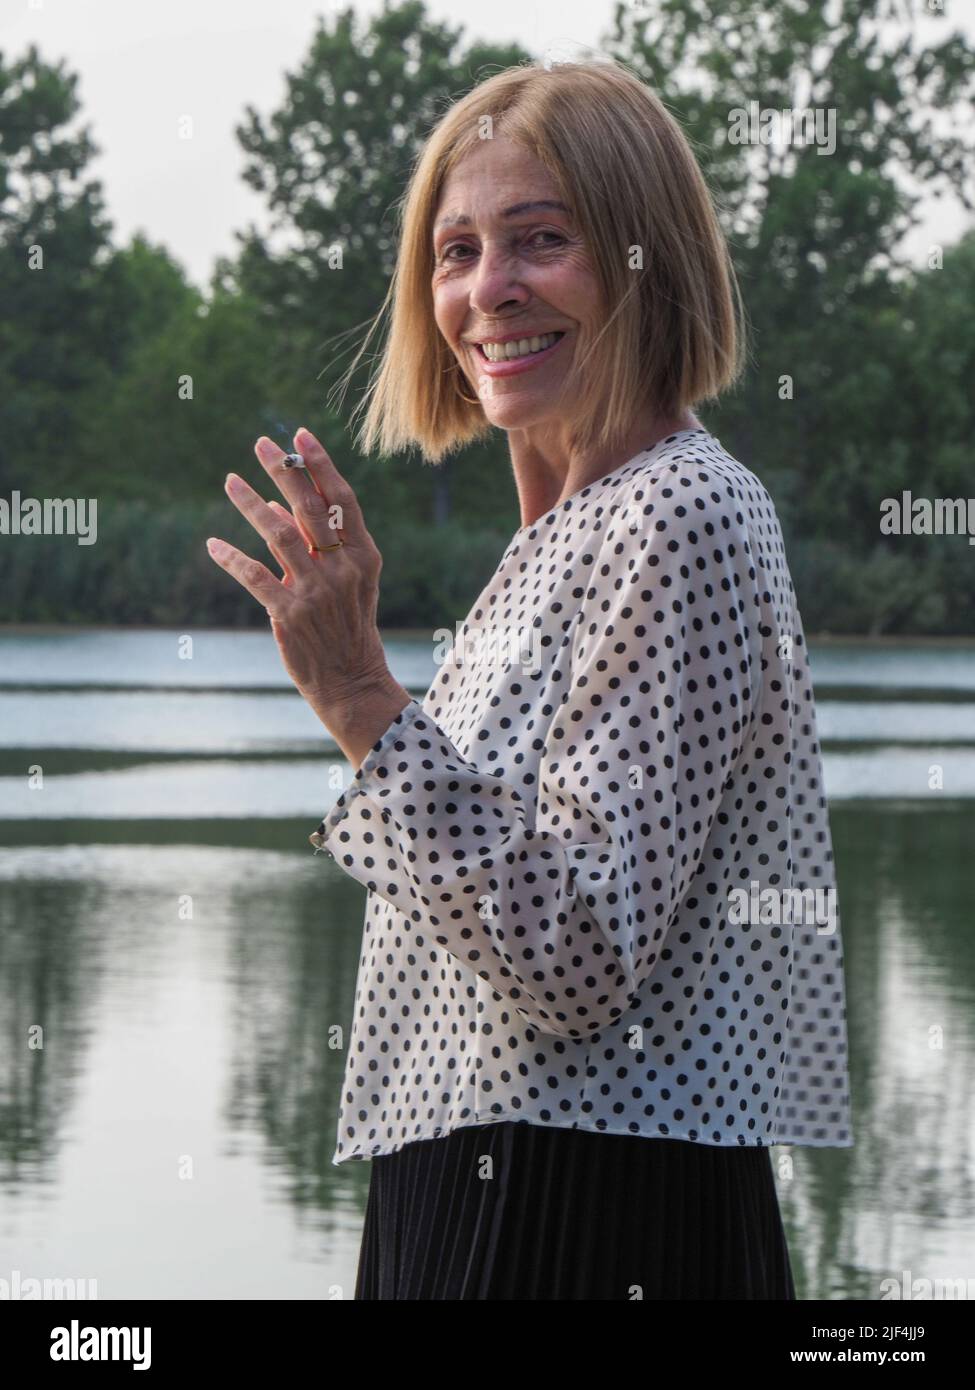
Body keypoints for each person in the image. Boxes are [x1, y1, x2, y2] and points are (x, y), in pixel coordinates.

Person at [206, 58, 853, 1301]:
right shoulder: (561, 539)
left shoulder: (681, 512)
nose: (486, 290)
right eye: (454, 252)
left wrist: (359, 702)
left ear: (641, 258)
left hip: (594, 1212)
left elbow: (576, 951)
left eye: (539, 240)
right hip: (476, 1183)